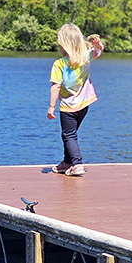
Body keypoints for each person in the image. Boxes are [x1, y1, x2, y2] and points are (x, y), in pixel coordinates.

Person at [47, 23, 104, 176]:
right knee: (70, 134)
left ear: (64, 45)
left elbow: (55, 86)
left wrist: (51, 106)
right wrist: (97, 44)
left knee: (69, 135)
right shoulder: (85, 57)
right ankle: (67, 162)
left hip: (68, 107)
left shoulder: (59, 64)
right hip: (84, 105)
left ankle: (77, 164)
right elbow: (98, 50)